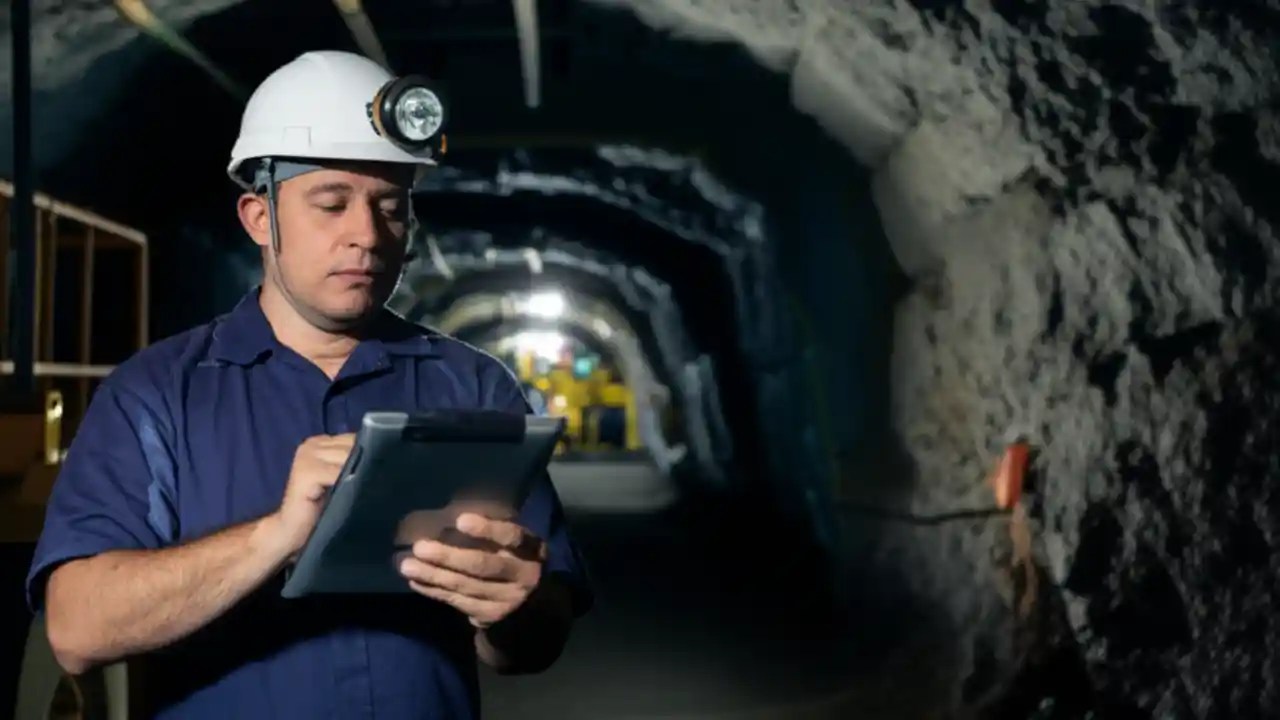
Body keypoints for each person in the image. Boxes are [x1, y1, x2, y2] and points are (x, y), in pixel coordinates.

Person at [25, 50, 593, 719]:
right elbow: (76, 631)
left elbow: (536, 636)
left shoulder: (473, 386)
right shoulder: (155, 396)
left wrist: (512, 611)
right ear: (259, 218)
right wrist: (277, 536)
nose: (367, 235)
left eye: (390, 206)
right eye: (331, 204)